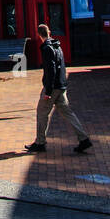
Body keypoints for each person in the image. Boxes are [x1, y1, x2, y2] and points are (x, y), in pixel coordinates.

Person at [24, 23, 92, 154]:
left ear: (39, 35)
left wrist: (48, 91)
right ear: (49, 32)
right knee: (68, 113)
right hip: (61, 86)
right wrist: (63, 84)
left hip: (53, 87)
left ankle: (40, 142)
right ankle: (83, 139)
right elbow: (62, 67)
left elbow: (51, 70)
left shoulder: (46, 48)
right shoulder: (58, 46)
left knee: (42, 112)